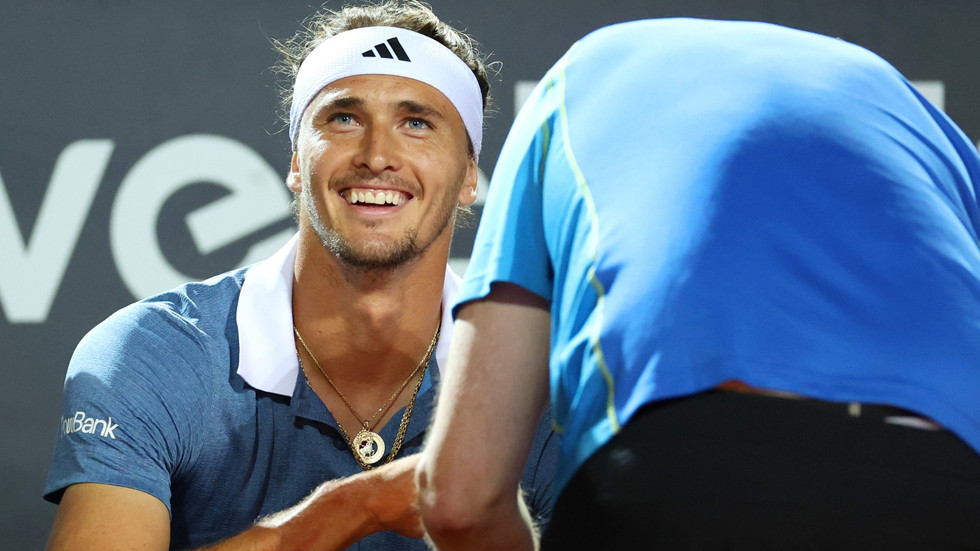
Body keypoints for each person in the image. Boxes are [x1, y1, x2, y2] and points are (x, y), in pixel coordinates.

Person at [417, 18, 980, 550]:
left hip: (682, 474)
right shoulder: (932, 128)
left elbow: (462, 501)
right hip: (951, 479)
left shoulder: (571, 84)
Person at [43, 2, 556, 550]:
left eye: (416, 123)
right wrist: (358, 505)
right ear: (295, 161)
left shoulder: (547, 383)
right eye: (344, 118)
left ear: (468, 177)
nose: (378, 154)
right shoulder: (151, 353)